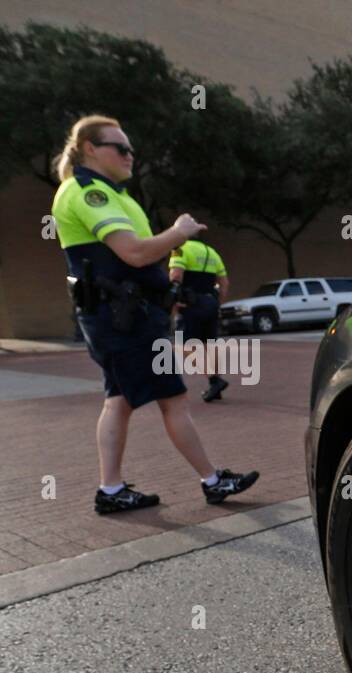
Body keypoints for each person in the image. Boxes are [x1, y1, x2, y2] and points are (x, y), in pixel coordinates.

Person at [50, 115, 258, 515]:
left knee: (119, 399)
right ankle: (212, 481)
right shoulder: (87, 192)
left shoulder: (116, 195)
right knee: (173, 398)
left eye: (131, 149)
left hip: (125, 314)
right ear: (91, 148)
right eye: (120, 148)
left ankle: (111, 489)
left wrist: (166, 294)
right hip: (120, 318)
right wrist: (179, 231)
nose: (130, 155)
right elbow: (135, 252)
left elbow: (136, 266)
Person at [169, 238, 231, 402]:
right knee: (210, 344)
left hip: (190, 304)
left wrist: (173, 303)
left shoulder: (180, 249)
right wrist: (217, 304)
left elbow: (176, 275)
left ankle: (215, 380)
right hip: (210, 304)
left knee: (182, 345)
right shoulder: (212, 252)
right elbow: (224, 283)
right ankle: (215, 387)